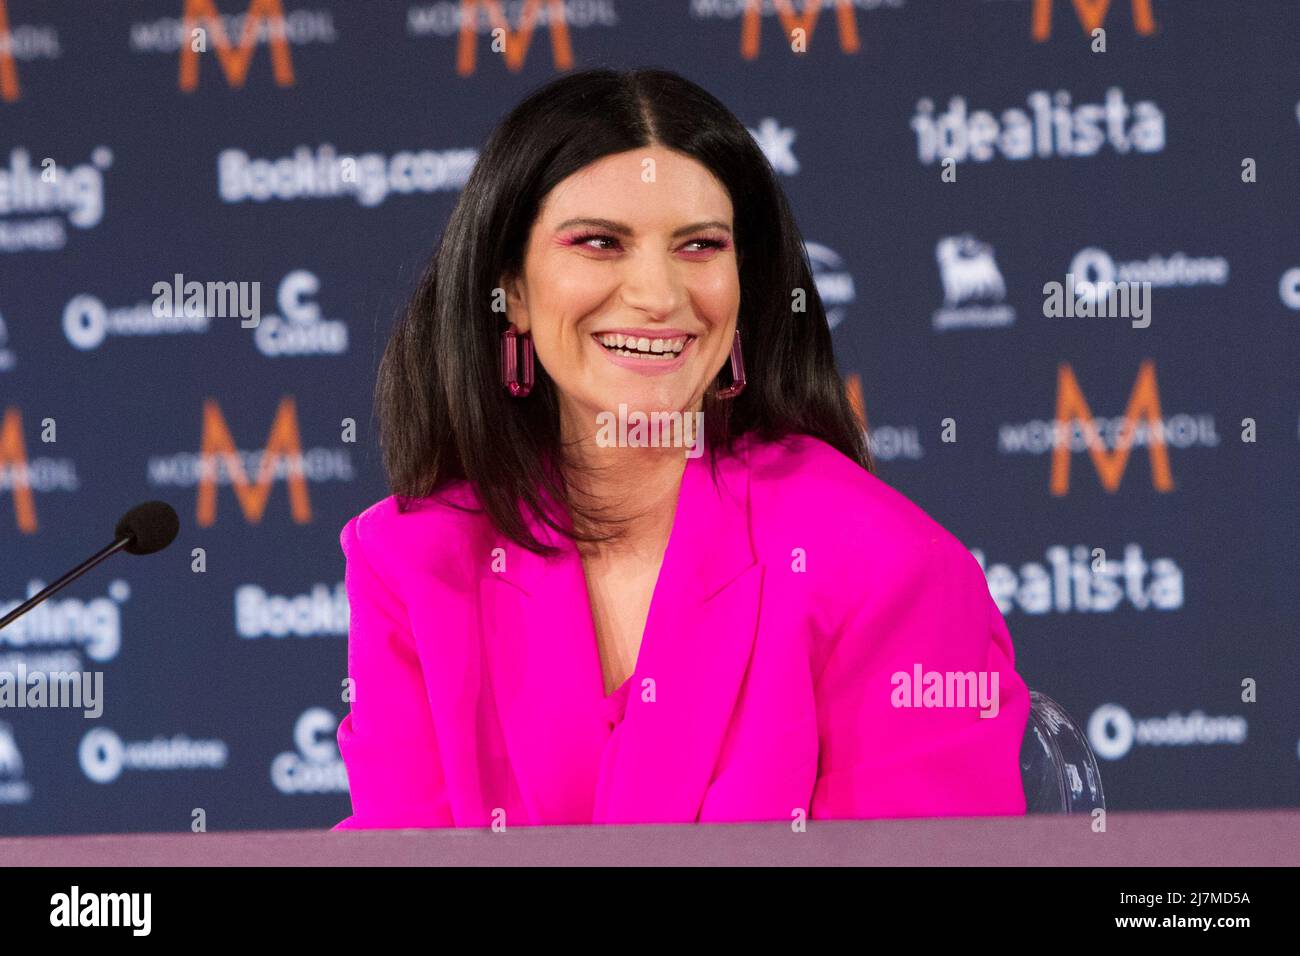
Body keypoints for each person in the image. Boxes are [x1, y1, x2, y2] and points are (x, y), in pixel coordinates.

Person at [333, 67, 1029, 829]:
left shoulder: (885, 565)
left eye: (699, 246)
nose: (659, 295)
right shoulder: (412, 561)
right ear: (515, 294)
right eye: (600, 243)